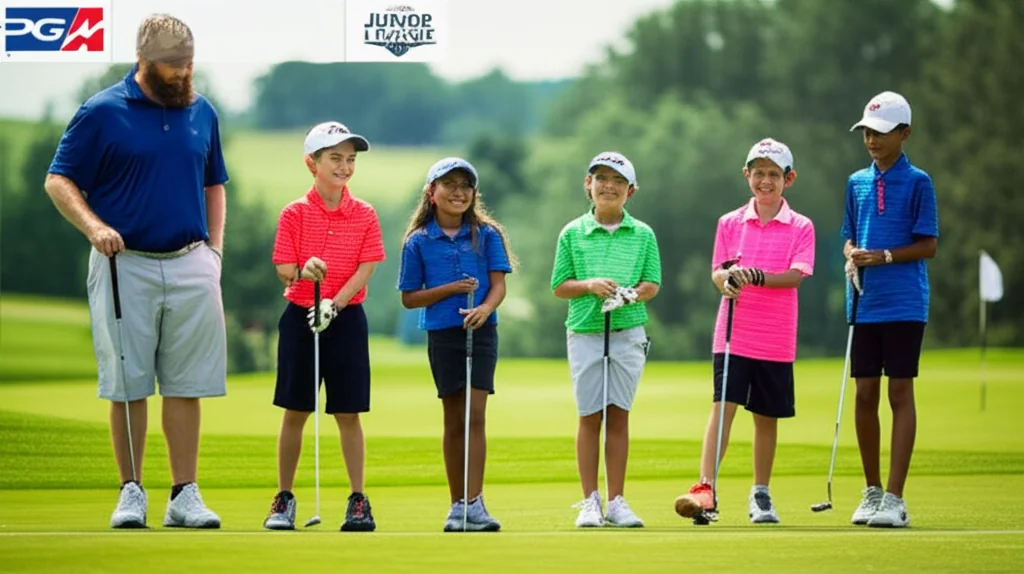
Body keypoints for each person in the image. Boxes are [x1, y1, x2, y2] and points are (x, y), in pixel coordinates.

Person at [44, 13, 226, 529]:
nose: (183, 71)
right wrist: (93, 227)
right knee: (128, 383)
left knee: (187, 383)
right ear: (143, 59)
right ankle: (131, 491)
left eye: (187, 61)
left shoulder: (202, 111)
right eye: (172, 64)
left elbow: (214, 184)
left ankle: (184, 495)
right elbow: (59, 180)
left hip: (191, 261)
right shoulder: (102, 111)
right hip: (123, 263)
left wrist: (215, 252)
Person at [673, 138, 815, 525]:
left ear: (789, 179)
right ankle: (705, 490)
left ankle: (761, 493)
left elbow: (796, 275)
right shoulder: (730, 222)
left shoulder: (801, 226)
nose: (765, 181)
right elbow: (718, 271)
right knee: (723, 409)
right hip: (733, 333)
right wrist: (726, 281)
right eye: (758, 173)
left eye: (774, 174)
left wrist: (754, 276)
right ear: (746, 175)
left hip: (776, 336)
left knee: (766, 417)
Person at [263, 121, 386, 532]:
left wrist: (335, 303)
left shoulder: (365, 213)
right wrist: (305, 269)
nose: (344, 166)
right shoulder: (294, 213)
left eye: (350, 159)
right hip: (300, 317)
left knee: (348, 411)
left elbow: (367, 266)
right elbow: (284, 268)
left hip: (346, 319)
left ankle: (358, 500)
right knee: (296, 410)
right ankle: (284, 498)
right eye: (335, 158)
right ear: (311, 163)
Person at [397, 157, 516, 532]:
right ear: (432, 192)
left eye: (466, 186)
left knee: (475, 415)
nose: (459, 192)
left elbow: (498, 286)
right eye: (449, 185)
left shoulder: (488, 235)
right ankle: (457, 506)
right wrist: (451, 289)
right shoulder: (418, 241)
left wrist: (484, 308)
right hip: (443, 334)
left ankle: (474, 504)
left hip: (481, 331)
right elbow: (410, 298)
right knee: (453, 419)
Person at [842, 91, 938, 528]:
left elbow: (928, 245)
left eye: (880, 133)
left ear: (905, 133)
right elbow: (849, 235)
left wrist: (882, 256)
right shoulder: (856, 182)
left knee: (899, 392)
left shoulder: (919, 182)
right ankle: (872, 492)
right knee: (864, 393)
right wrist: (851, 253)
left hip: (904, 302)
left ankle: (896, 499)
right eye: (866, 132)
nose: (871, 140)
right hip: (864, 302)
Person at [550, 151, 662, 528]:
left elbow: (652, 283)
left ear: (631, 190)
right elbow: (560, 286)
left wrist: (631, 295)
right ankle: (590, 502)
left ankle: (616, 502)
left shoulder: (643, 234)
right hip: (585, 331)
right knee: (589, 416)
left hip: (628, 332)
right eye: (601, 178)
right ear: (588, 184)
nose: (608, 186)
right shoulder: (572, 232)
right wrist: (589, 285)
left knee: (618, 415)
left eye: (617, 181)